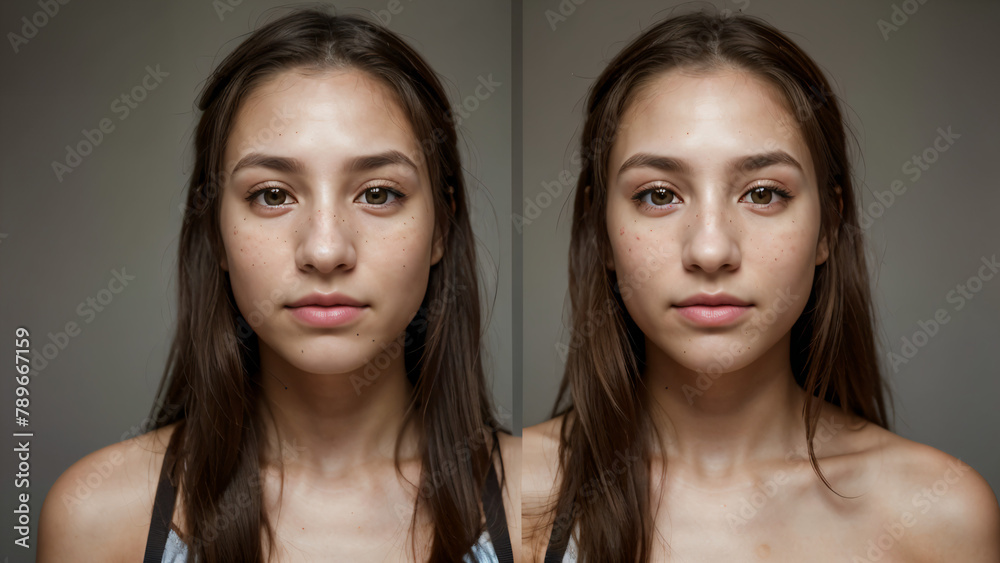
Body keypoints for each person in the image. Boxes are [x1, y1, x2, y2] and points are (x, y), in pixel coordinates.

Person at [38, 8, 519, 563]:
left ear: (441, 227)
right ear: (214, 232)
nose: (324, 251)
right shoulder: (97, 518)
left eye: (379, 193)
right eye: (271, 195)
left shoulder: (534, 510)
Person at [522, 8, 999, 562]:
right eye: (658, 194)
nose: (710, 250)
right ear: (600, 232)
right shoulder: (512, 496)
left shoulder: (939, 516)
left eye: (764, 193)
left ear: (828, 227)